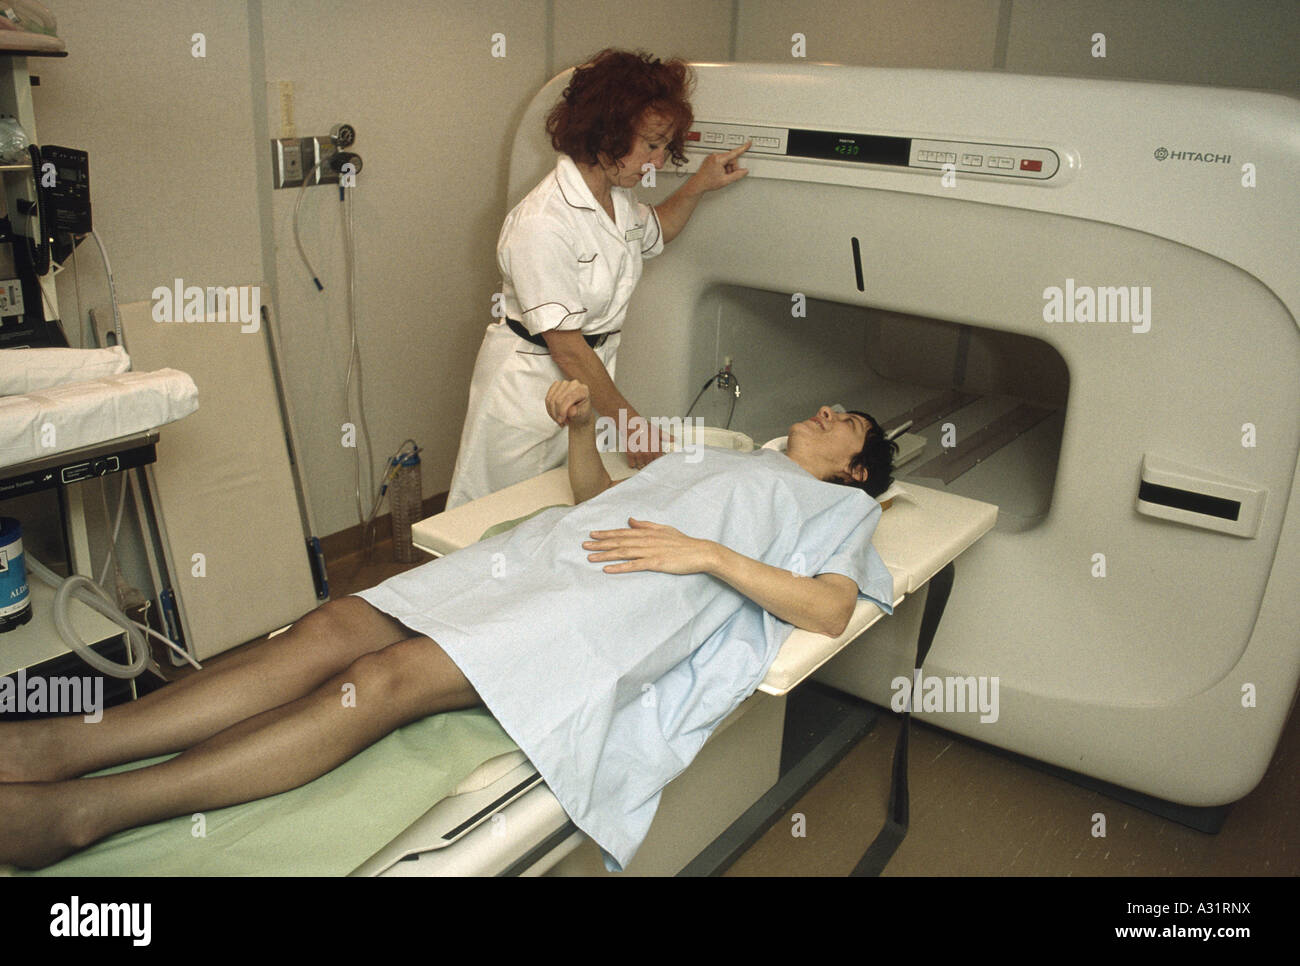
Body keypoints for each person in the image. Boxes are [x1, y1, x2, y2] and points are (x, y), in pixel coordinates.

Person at [0, 381, 896, 872]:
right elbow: (603, 499)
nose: (827, 410)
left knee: (386, 681)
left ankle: (85, 814)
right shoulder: (717, 452)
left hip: (629, 599)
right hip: (559, 551)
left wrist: (709, 557)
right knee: (336, 625)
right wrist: (581, 432)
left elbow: (826, 605)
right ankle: (60, 750)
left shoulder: (839, 513)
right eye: (831, 403)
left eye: (845, 422)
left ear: (855, 471)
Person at [446, 48, 751, 509]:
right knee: (499, 520)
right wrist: (632, 425)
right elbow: (566, 346)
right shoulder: (543, 221)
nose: (659, 161)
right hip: (530, 391)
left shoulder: (615, 197)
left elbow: (657, 230)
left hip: (585, 386)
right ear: (603, 133)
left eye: (665, 146)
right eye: (651, 144)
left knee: (569, 511)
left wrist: (699, 184)